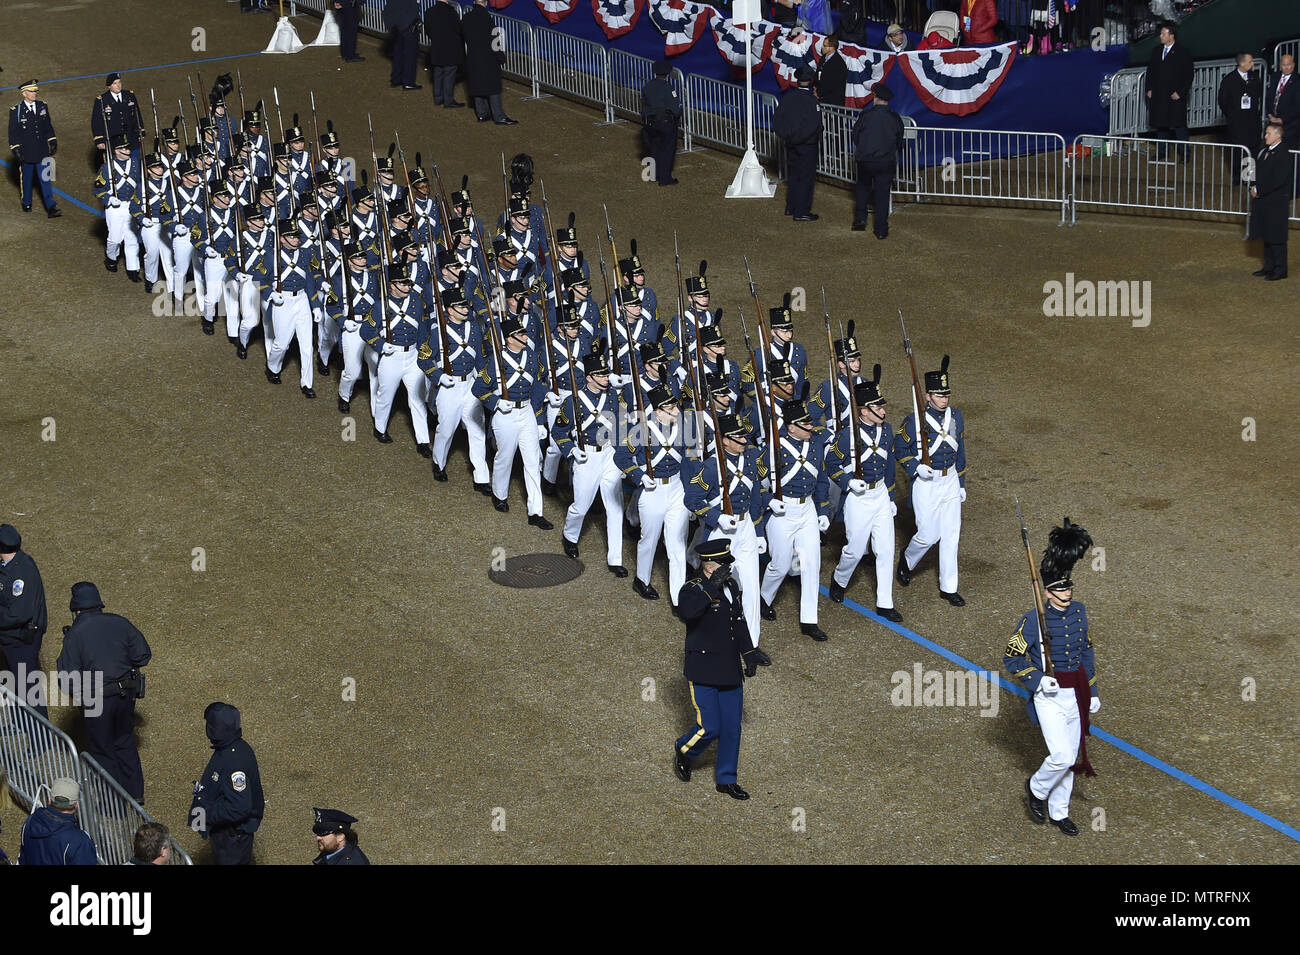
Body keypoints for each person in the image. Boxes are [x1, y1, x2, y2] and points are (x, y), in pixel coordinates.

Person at [1003, 518, 1098, 837]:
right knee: (1059, 755)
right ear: (1046, 592)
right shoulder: (1032, 620)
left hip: (1076, 693)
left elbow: (1085, 650)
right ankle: (1036, 788)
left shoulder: (1080, 612)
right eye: (1060, 589)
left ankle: (1060, 812)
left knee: (1070, 758)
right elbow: (1012, 656)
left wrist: (1093, 691)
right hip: (1049, 695)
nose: (1067, 592)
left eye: (1069, 587)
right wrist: (1038, 680)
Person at [673, 538, 764, 801]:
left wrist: (749, 653)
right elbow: (688, 612)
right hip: (703, 666)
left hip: (728, 666)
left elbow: (738, 620)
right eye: (724, 564)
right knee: (708, 727)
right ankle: (683, 750)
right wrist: (711, 587)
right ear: (710, 566)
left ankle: (727, 779)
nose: (729, 569)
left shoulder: (731, 586)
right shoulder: (692, 588)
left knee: (732, 727)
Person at [55, 582, 152, 803]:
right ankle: (136, 795)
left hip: (95, 701)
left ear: (76, 609)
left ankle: (113, 803)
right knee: (124, 741)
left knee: (102, 749)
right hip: (125, 695)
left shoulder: (75, 635)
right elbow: (143, 656)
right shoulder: (120, 623)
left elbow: (67, 680)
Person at [826, 373, 903, 622]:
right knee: (855, 550)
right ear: (864, 411)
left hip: (879, 494)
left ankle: (885, 602)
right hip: (858, 499)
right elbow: (831, 462)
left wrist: (890, 496)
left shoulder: (887, 430)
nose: (883, 410)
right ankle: (839, 578)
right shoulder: (848, 434)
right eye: (877, 406)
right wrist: (848, 482)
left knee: (885, 549)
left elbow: (890, 464)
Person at [758, 392, 831, 642]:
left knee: (812, 564)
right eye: (806, 424)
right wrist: (769, 501)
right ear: (791, 427)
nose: (811, 426)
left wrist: (822, 511)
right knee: (780, 564)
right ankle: (764, 598)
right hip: (783, 510)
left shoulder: (817, 443)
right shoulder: (773, 449)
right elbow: (755, 484)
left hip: (807, 508)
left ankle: (809, 620)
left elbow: (821, 478)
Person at [894, 355, 967, 606]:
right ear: (927, 396)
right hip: (927, 483)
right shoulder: (914, 421)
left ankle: (949, 587)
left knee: (951, 535)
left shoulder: (956, 415)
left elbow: (961, 450)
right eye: (939, 395)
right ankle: (907, 559)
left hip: (950, 481)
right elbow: (900, 449)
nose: (944, 399)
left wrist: (962, 483)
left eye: (946, 395)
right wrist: (916, 468)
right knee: (927, 535)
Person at [473, 313, 553, 528]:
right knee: (504, 457)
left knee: (533, 460)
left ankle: (536, 511)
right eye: (520, 334)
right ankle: (500, 495)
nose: (525, 336)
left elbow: (536, 384)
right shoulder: (495, 361)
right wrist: (496, 402)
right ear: (509, 338)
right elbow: (478, 388)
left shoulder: (533, 357)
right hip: (505, 415)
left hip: (526, 412)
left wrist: (545, 397)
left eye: (524, 332)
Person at [554, 344, 628, 575]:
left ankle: (615, 558)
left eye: (606, 374)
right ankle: (570, 536)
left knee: (615, 507)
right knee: (581, 506)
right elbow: (558, 432)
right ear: (589, 377)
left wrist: (624, 459)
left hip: (609, 454)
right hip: (586, 457)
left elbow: (621, 427)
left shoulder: (614, 398)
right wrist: (571, 451)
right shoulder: (573, 402)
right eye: (601, 374)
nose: (606, 378)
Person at [190, 702, 264, 865]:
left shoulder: (234, 760)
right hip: (228, 834)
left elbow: (239, 807)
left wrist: (206, 814)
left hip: (232, 838)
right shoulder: (232, 747)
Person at [0, 524, 48, 719]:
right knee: (13, 682)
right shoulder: (9, 565)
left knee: (29, 687)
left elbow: (18, 614)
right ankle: (21, 722)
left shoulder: (22, 573)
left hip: (21, 640)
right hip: (10, 638)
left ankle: (42, 736)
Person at [851, 82, 904, 238]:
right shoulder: (895, 119)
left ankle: (860, 221)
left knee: (862, 188)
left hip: (865, 160)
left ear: (875, 98)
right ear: (887, 101)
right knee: (882, 194)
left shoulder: (865, 116)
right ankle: (881, 229)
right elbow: (899, 141)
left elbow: (855, 136)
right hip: (885, 161)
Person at [771, 67, 823, 222]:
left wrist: (788, 136)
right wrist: (801, 138)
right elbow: (815, 125)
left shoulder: (788, 98)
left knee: (793, 175)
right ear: (811, 82)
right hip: (807, 145)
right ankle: (801, 211)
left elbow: (777, 120)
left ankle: (791, 206)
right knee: (805, 177)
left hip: (791, 143)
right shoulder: (812, 101)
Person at [94, 133, 143, 283]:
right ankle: (111, 257)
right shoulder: (107, 167)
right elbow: (98, 189)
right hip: (114, 207)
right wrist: (109, 198)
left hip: (132, 205)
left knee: (131, 238)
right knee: (115, 238)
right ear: (116, 151)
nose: (127, 151)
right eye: (123, 149)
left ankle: (133, 269)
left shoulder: (135, 164)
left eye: (128, 148)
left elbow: (141, 184)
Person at [8, 79, 61, 217]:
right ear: (24, 93)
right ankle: (27, 202)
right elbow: (13, 133)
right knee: (26, 179)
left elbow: (47, 126)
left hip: (42, 151)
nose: (35, 93)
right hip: (27, 152)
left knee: (46, 179)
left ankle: (51, 207)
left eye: (36, 90)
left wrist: (52, 140)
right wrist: (16, 149)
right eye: (32, 91)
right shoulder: (16, 111)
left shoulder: (43, 106)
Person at [18, 778, 97, 865]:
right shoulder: (80, 841)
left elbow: (23, 859)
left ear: (49, 800)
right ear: (76, 805)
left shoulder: (30, 822)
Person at [463, 0, 518, 125]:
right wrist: (501, 57)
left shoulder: (466, 17)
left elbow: (463, 35)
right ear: (486, 3)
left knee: (477, 84)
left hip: (473, 57)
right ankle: (499, 116)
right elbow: (494, 41)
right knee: (493, 87)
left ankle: (482, 114)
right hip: (488, 58)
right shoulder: (487, 18)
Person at [1145, 22, 1193, 162]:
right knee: (1161, 125)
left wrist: (1180, 92)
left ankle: (1184, 153)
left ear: (1171, 36)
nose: (1161, 36)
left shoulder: (1183, 52)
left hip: (1174, 96)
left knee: (1179, 125)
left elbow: (1188, 75)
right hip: (1159, 95)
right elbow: (1150, 71)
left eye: (1163, 34)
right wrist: (1149, 88)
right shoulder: (1156, 51)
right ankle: (1161, 152)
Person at [1250, 122, 1292, 281]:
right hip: (1264, 202)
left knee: (1276, 237)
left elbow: (1278, 180)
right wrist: (1253, 186)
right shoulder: (1264, 151)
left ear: (1278, 135)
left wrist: (1259, 190)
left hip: (1275, 203)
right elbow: (1256, 171)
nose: (1265, 136)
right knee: (1266, 235)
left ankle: (1280, 269)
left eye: (1268, 133)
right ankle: (1269, 266)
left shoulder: (1283, 154)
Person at [641, 60, 682, 186]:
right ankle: (665, 179)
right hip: (666, 123)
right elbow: (675, 108)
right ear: (667, 74)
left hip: (651, 123)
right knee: (667, 151)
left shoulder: (648, 86)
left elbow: (644, 105)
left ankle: (655, 175)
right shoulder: (668, 88)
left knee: (655, 148)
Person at [1217, 53, 1262, 167]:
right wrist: (1232, 116)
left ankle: (1249, 177)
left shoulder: (1254, 78)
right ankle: (1237, 177)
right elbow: (1223, 100)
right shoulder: (1229, 80)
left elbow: (1258, 96)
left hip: (1252, 122)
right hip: (1237, 123)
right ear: (1242, 63)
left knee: (1252, 150)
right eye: (1250, 61)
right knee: (1238, 151)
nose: (1253, 64)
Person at [90, 73, 144, 158]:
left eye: (119, 82)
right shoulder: (102, 100)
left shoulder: (129, 95)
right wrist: (99, 140)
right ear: (109, 86)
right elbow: (96, 121)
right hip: (114, 141)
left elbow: (137, 114)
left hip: (131, 138)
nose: (118, 85)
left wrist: (141, 130)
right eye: (115, 83)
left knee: (135, 164)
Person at [425, 0, 465, 109]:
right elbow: (458, 29)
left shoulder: (429, 11)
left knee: (438, 72)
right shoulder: (452, 13)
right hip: (451, 49)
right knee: (449, 74)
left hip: (437, 47)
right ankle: (448, 101)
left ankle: (438, 99)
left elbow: (428, 29)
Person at [384, 0, 422, 90]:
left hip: (395, 24)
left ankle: (396, 79)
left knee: (398, 52)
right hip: (408, 25)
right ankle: (408, 82)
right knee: (410, 54)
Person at [1266, 54, 1300, 154]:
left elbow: (1297, 106)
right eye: (1284, 65)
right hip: (1273, 123)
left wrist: (1282, 119)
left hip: (1290, 126)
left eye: (1288, 64)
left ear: (1293, 65)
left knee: (1287, 154)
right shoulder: (1275, 77)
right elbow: (1269, 97)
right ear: (1280, 65)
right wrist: (1269, 115)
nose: (1286, 67)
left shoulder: (1298, 81)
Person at [815, 35, 847, 108]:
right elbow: (819, 73)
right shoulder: (823, 58)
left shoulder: (839, 64)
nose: (822, 47)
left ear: (832, 48)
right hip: (822, 97)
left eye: (825, 45)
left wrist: (818, 93)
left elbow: (832, 84)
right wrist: (816, 88)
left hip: (833, 102)